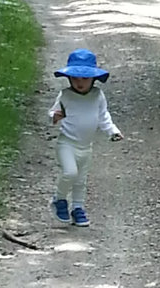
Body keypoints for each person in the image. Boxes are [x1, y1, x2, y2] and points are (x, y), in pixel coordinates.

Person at [49, 48, 123, 227]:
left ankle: (78, 208)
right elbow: (53, 111)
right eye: (75, 78)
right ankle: (59, 199)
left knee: (80, 181)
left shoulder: (97, 95)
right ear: (69, 78)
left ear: (93, 78)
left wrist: (112, 131)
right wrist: (54, 116)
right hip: (67, 143)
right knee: (70, 173)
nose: (79, 82)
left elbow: (103, 116)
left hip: (86, 146)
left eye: (85, 78)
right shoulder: (66, 95)